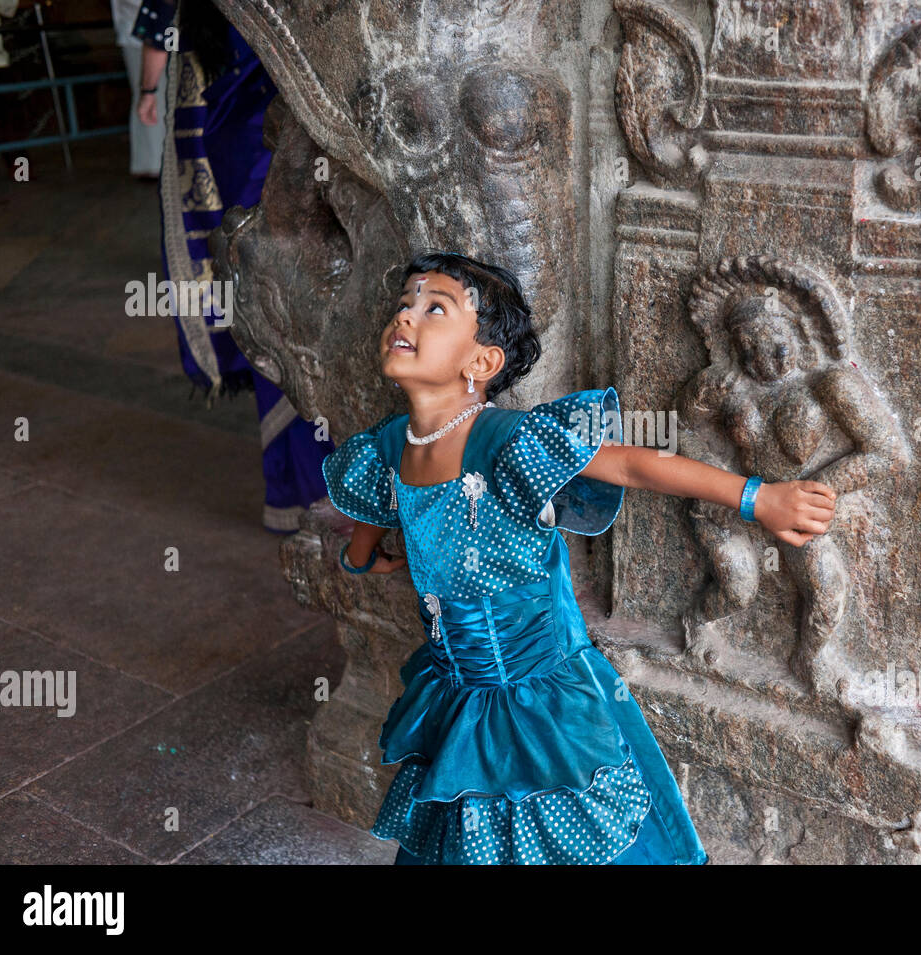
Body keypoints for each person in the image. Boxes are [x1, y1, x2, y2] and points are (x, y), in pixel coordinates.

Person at [323, 250, 838, 865]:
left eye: (435, 309)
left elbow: (630, 462)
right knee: (470, 824)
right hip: (458, 693)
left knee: (561, 831)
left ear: (482, 362)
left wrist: (759, 498)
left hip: (542, 699)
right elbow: (372, 505)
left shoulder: (506, 440)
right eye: (404, 305)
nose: (405, 318)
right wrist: (362, 557)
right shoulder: (389, 443)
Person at [132, 0, 330, 533]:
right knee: (296, 317)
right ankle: (325, 501)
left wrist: (148, 93)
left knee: (271, 316)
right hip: (276, 143)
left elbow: (159, 37)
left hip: (234, 147)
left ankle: (295, 496)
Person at [111, 0, 165, 178]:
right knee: (149, 97)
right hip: (139, 30)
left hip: (151, 30)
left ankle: (154, 162)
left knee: (151, 97)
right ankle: (152, 162)